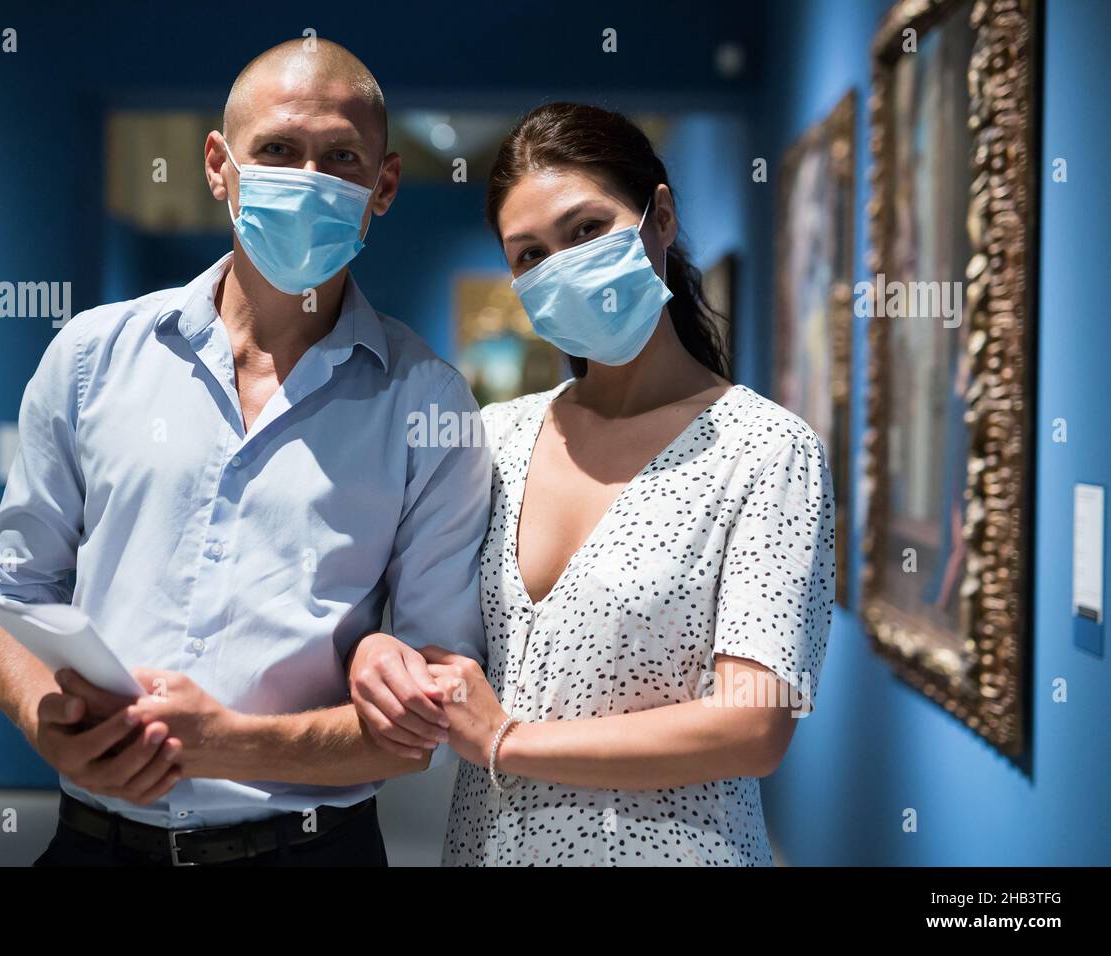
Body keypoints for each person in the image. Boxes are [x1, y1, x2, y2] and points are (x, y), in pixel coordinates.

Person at [0, 39, 489, 867]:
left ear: (383, 185)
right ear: (218, 163)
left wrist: (227, 743)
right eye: (278, 149)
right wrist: (42, 722)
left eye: (341, 157)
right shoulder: (92, 356)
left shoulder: (429, 404)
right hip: (94, 845)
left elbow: (421, 719)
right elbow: (2, 598)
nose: (308, 178)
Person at [349, 103, 836, 866]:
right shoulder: (496, 436)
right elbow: (443, 640)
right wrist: (386, 652)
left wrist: (511, 741)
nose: (562, 268)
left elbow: (755, 726)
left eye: (586, 230)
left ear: (661, 216)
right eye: (530, 255)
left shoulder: (765, 451)